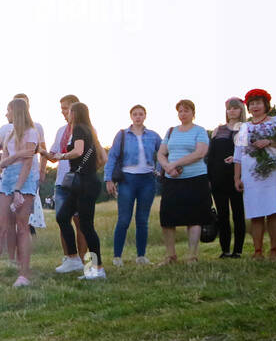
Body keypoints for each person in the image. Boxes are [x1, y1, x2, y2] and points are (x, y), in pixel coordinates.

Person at [0, 99, 39, 287]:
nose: (6, 114)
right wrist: (7, 162)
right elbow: (4, 157)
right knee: (0, 228)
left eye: (8, 110)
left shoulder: (31, 132)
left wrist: (18, 187)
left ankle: (24, 275)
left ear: (16, 111)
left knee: (22, 226)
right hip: (7, 179)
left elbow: (28, 160)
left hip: (24, 180)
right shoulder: (9, 133)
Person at [234, 88, 276, 258]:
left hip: (274, 173)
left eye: (258, 103)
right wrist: (237, 177)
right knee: (255, 212)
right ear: (248, 108)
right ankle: (257, 251)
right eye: (251, 104)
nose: (255, 106)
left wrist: (270, 142)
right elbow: (238, 154)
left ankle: (274, 250)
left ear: (266, 105)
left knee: (273, 211)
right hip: (252, 175)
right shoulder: (244, 127)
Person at [52, 103, 106, 279]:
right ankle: (74, 258)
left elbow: (78, 151)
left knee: (86, 226)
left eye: (70, 111)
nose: (67, 114)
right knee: (62, 217)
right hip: (84, 182)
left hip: (84, 184)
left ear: (75, 113)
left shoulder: (79, 129)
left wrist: (63, 156)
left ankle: (97, 269)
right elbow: (99, 157)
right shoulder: (88, 129)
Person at [104, 105, 162, 266]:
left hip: (147, 180)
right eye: (135, 114)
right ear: (131, 116)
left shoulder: (153, 136)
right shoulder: (122, 135)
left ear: (145, 116)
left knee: (142, 219)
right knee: (123, 219)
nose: (138, 117)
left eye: (141, 114)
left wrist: (158, 170)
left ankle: (141, 256)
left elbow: (164, 152)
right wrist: (108, 179)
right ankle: (117, 257)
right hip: (127, 179)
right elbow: (112, 156)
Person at [157, 100, 212, 264]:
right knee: (167, 218)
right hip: (172, 180)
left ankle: (192, 256)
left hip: (195, 179)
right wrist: (167, 167)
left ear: (193, 113)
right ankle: (170, 255)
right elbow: (161, 153)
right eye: (180, 111)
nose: (183, 114)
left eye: (186, 111)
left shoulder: (200, 131)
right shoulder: (171, 131)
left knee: (194, 218)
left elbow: (200, 153)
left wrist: (175, 163)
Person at [40, 96, 88, 263]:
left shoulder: (85, 129)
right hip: (62, 182)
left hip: (79, 181)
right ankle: (69, 258)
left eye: (66, 109)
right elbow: (54, 156)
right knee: (62, 220)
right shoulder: (61, 131)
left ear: (75, 109)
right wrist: (41, 150)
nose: (63, 113)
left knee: (80, 222)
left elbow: (90, 155)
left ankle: (83, 259)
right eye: (61, 109)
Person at [208, 98, 247, 258]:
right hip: (218, 177)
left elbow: (248, 152)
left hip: (238, 176)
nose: (231, 111)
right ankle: (225, 250)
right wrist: (209, 177)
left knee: (238, 214)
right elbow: (211, 156)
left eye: (235, 108)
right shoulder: (218, 130)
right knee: (222, 215)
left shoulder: (246, 128)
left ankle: (238, 250)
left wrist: (236, 158)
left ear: (241, 110)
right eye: (229, 109)